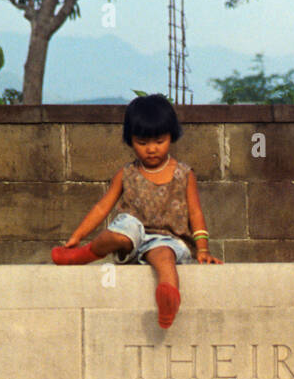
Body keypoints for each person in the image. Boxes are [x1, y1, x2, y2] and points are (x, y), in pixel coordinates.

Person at [51, 93, 220, 328]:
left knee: (163, 256)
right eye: (142, 143)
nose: (151, 149)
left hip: (169, 240)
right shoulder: (127, 174)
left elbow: (196, 214)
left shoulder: (184, 174)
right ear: (131, 141)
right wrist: (77, 236)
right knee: (120, 231)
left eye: (159, 141)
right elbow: (102, 207)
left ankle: (169, 298)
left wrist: (203, 249)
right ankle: (84, 254)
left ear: (171, 137)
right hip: (132, 236)